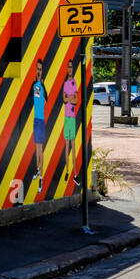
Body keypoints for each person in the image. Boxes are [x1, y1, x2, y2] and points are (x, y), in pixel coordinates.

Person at [62, 58, 80, 188]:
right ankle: (67, 171)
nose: (69, 69)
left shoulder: (74, 82)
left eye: (70, 67)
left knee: (73, 147)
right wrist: (70, 98)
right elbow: (65, 99)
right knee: (67, 146)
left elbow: (75, 100)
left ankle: (75, 174)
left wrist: (70, 98)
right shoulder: (65, 84)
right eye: (68, 67)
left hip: (72, 117)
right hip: (66, 117)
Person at [32, 59, 48, 194]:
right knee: (37, 147)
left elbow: (45, 100)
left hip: (41, 120)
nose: (38, 71)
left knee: (40, 148)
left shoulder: (41, 86)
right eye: (37, 69)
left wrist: (43, 86)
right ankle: (38, 170)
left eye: (40, 69)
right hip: (36, 120)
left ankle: (41, 177)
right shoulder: (35, 85)